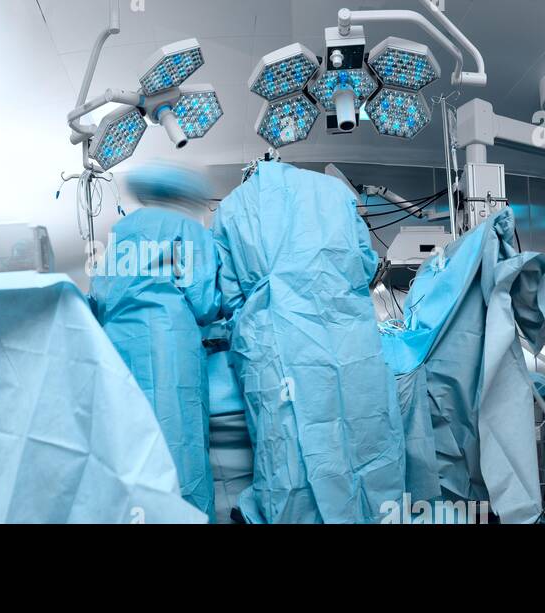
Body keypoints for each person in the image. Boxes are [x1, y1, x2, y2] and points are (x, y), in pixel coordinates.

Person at [213, 161, 404, 524]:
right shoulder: (334, 193)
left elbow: (225, 296)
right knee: (367, 437)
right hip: (348, 335)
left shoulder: (231, 209)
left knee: (287, 453)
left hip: (273, 340)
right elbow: (364, 265)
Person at [91, 162, 221, 520]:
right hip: (168, 339)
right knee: (178, 444)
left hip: (118, 344)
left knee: (131, 444)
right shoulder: (187, 228)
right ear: (182, 197)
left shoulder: (118, 233)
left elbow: (99, 299)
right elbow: (205, 300)